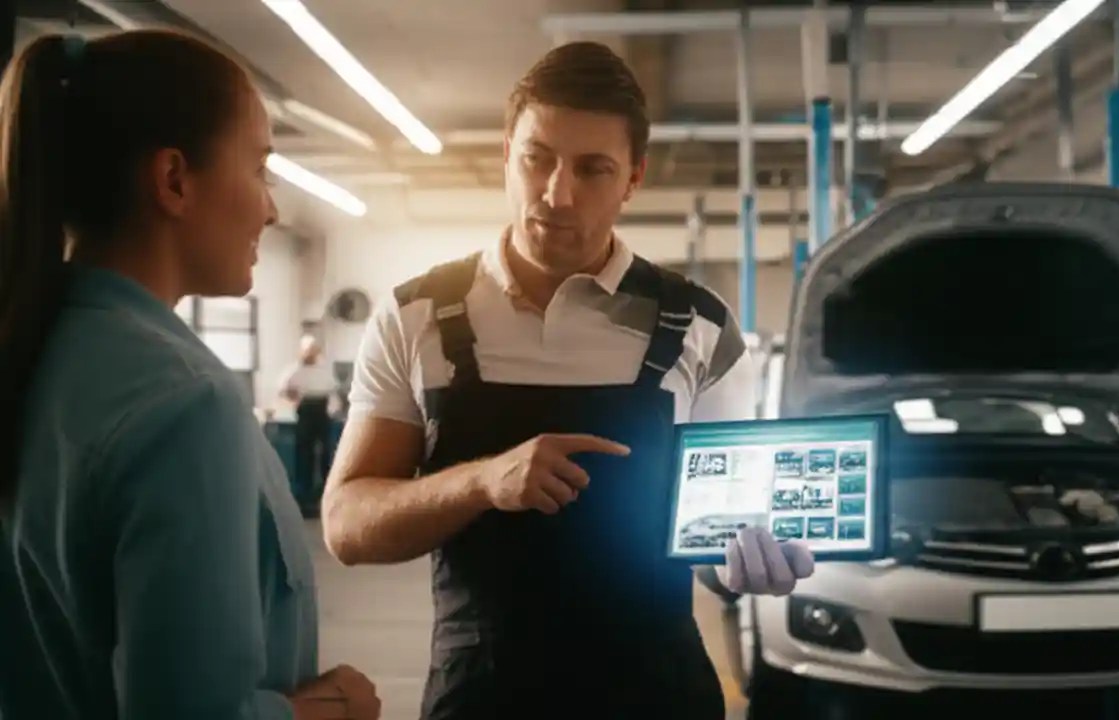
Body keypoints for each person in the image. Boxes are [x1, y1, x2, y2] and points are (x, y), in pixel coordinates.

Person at [321, 41, 815, 719]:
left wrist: (744, 566)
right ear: (506, 153)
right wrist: (482, 481)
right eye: (537, 159)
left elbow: (718, 542)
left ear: (633, 178)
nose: (557, 193)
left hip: (656, 698)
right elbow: (346, 525)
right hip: (481, 700)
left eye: (593, 169)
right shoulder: (418, 317)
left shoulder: (699, 325)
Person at [0, 30, 380, 720]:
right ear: (174, 179)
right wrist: (329, 709)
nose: (270, 206)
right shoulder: (184, 404)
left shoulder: (35, 348)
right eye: (260, 168)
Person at [279, 333, 340, 515]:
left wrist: (334, 409)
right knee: (304, 455)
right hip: (305, 412)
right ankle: (303, 498)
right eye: (308, 351)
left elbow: (333, 392)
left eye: (313, 351)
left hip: (322, 413)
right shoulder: (294, 371)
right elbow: (283, 390)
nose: (311, 354)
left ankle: (326, 496)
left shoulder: (324, 371)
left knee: (325, 456)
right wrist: (294, 397)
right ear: (302, 352)